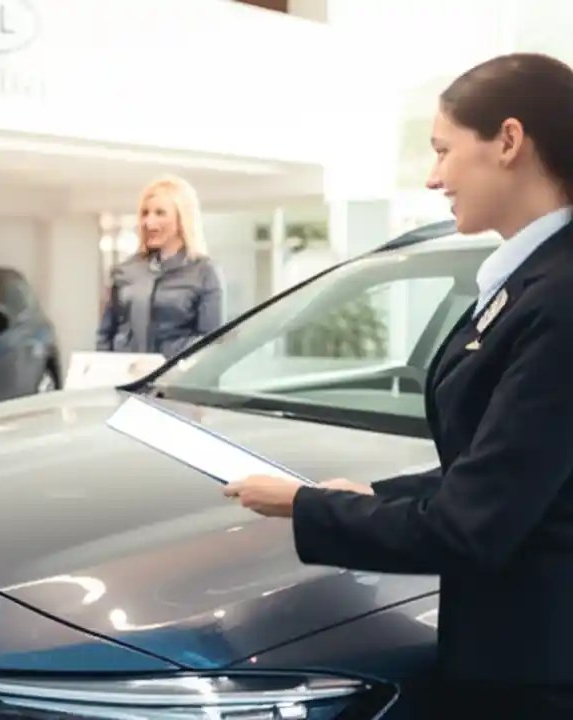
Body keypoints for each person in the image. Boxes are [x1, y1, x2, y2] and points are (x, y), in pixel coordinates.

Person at [224, 52, 573, 717]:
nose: (434, 176)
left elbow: (476, 525)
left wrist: (306, 505)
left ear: (507, 141)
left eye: (443, 150)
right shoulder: (530, 283)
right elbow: (500, 470)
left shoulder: (558, 299)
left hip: (534, 674)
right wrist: (375, 494)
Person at [96, 175, 224, 359]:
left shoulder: (204, 272)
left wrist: (165, 360)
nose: (149, 222)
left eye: (160, 213)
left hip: (174, 381)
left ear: (182, 218)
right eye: (145, 213)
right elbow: (105, 337)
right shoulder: (124, 271)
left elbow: (211, 343)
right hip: (124, 380)